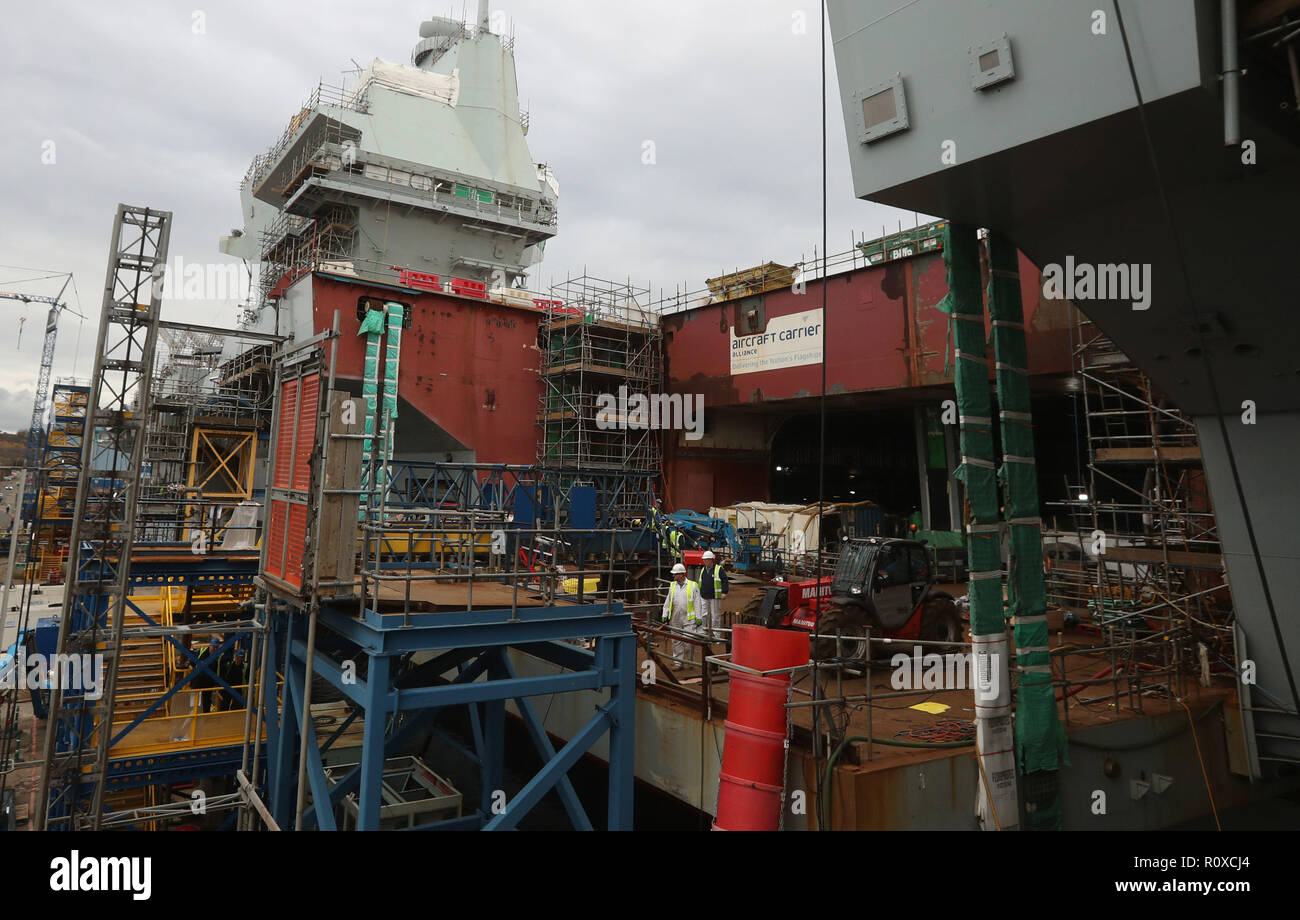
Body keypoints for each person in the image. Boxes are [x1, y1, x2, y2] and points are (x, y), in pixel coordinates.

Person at [660, 563, 702, 669]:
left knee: (689, 641)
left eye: (675, 574)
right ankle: (678, 663)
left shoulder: (693, 585)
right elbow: (668, 601)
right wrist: (665, 614)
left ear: (682, 574)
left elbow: (697, 602)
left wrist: (699, 617)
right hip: (675, 617)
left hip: (689, 617)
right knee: (676, 640)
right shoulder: (672, 585)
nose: (673, 576)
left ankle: (690, 660)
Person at [696, 550, 729, 641]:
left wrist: (724, 592)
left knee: (715, 616)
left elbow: (725, 580)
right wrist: (699, 594)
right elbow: (700, 583)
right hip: (704, 596)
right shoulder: (703, 570)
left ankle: (716, 635)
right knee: (703, 614)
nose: (705, 562)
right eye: (704, 560)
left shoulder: (719, 569)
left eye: (706, 560)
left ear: (711, 560)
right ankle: (703, 632)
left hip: (715, 597)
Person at [192, 634, 224, 714]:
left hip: (209, 683)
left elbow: (220, 670)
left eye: (216, 647)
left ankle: (206, 716)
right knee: (194, 701)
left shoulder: (219, 657)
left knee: (206, 701)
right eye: (213, 647)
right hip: (198, 681)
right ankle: (193, 714)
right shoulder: (202, 651)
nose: (215, 649)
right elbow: (192, 661)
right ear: (210, 646)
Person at [219, 647, 249, 712]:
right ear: (235, 656)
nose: (239, 659)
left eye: (241, 657)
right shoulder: (229, 664)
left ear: (243, 658)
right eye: (238, 657)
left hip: (239, 689)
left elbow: (247, 678)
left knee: (236, 709)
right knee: (224, 707)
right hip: (228, 688)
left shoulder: (245, 666)